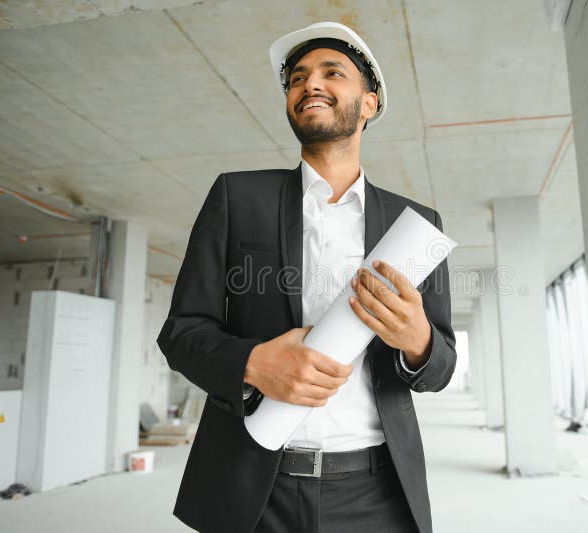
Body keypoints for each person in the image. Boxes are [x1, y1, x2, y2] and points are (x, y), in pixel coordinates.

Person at [157, 21, 456, 533]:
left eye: (331, 72)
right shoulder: (237, 198)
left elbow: (442, 366)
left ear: (370, 103)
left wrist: (418, 340)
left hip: (376, 491)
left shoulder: (417, 226)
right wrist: (253, 363)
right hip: (254, 490)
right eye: (297, 78)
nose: (309, 84)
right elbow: (181, 333)